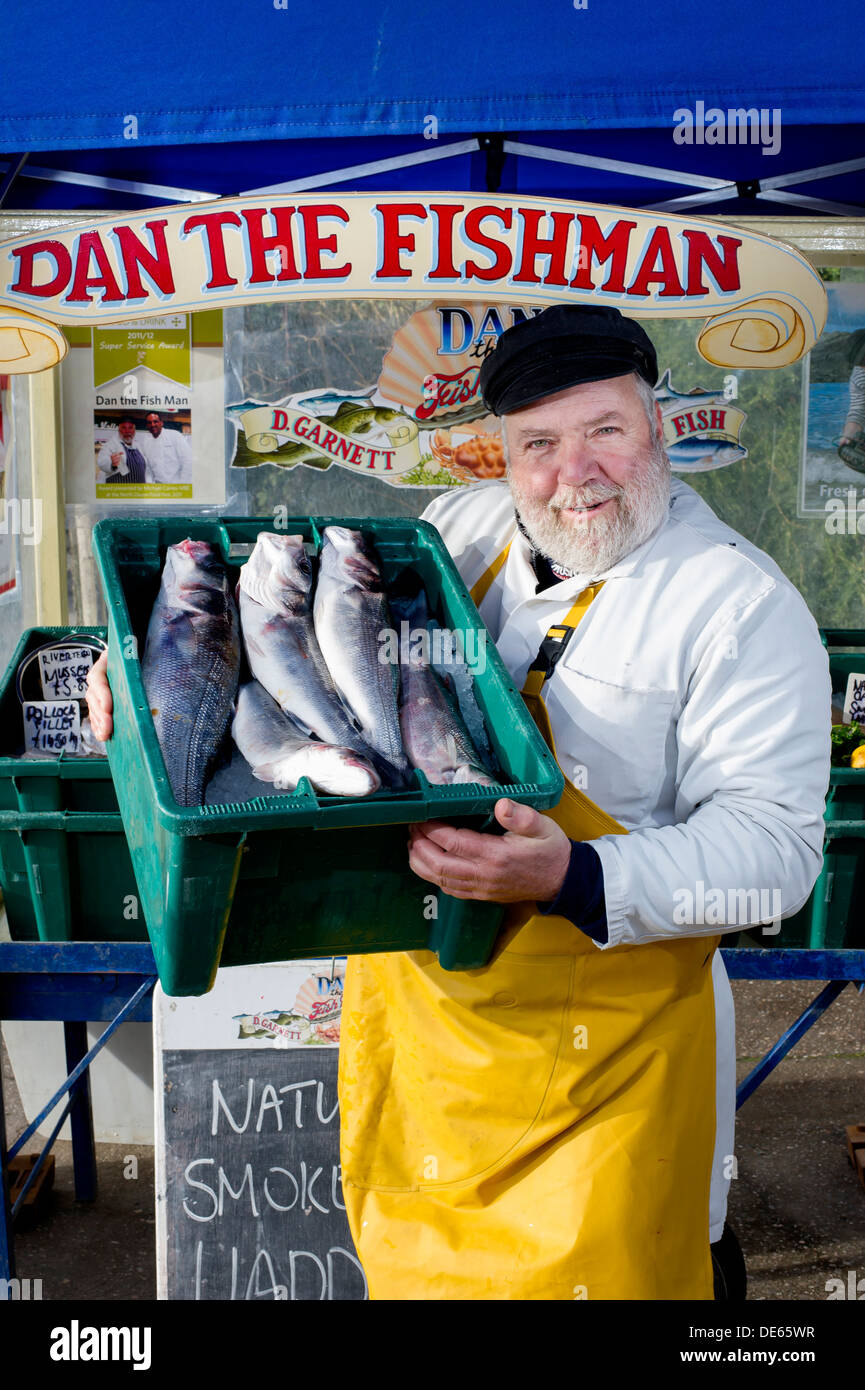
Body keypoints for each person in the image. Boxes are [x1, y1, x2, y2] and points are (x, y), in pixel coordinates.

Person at [87, 305, 831, 1301]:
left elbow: (778, 852)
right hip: (427, 1036)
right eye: (539, 444)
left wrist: (576, 870)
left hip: (606, 1081)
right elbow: (277, 644)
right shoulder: (461, 528)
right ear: (500, 453)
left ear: (658, 428)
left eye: (605, 430)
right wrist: (144, 673)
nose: (575, 473)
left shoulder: (736, 602)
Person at [139, 412, 193, 485]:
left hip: (176, 485)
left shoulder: (175, 436)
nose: (152, 425)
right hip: (158, 488)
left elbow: (188, 461)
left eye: (155, 421)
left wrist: (182, 485)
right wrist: (150, 484)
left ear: (161, 423)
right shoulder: (147, 443)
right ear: (147, 425)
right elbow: (148, 468)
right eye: (149, 423)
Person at [95, 416, 148, 484]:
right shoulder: (110, 445)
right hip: (119, 491)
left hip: (138, 491)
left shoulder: (139, 446)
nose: (127, 431)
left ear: (134, 431)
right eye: (124, 428)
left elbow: (146, 469)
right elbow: (101, 462)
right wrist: (112, 464)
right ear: (119, 430)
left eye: (130, 428)